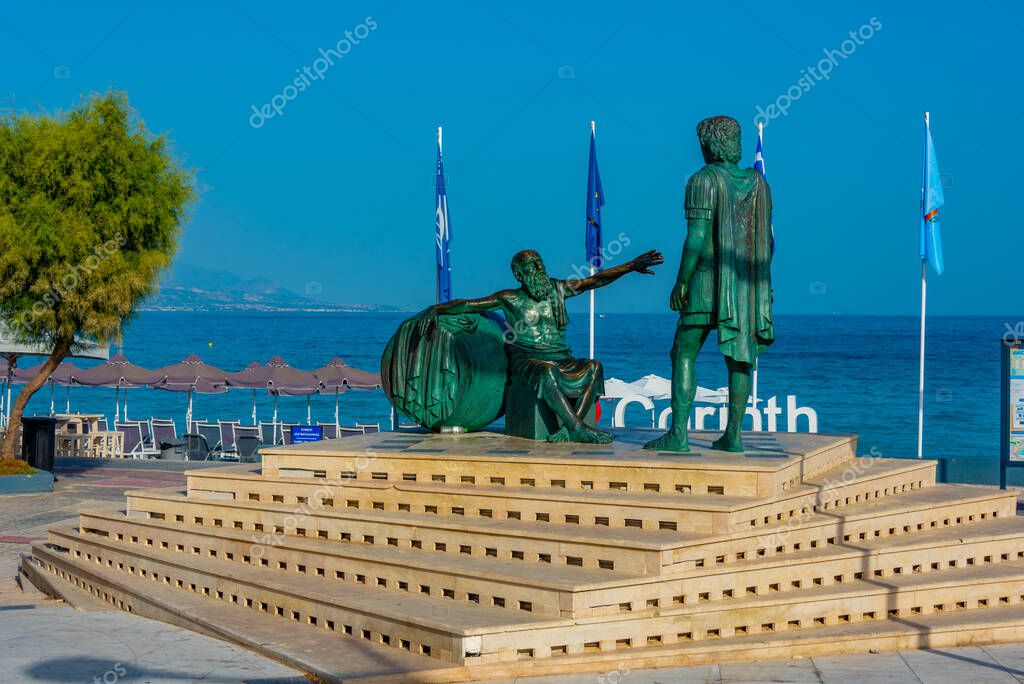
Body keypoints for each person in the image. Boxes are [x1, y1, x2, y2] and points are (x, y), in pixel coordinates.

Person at [421, 248, 663, 443]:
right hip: (527, 361)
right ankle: (577, 427)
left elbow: (596, 280)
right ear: (519, 274)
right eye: (532, 266)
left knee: (594, 367)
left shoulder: (558, 289)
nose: (539, 269)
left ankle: (573, 427)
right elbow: (468, 304)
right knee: (547, 371)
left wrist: (631, 266)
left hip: (561, 357)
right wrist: (435, 309)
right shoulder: (509, 298)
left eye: (540, 264)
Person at [645, 115, 774, 453]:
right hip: (746, 286)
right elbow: (768, 243)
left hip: (706, 282)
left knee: (683, 353)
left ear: (708, 144)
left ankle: (679, 435)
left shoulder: (703, 180)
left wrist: (680, 281)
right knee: (740, 360)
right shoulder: (760, 184)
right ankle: (733, 435)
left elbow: (697, 238)